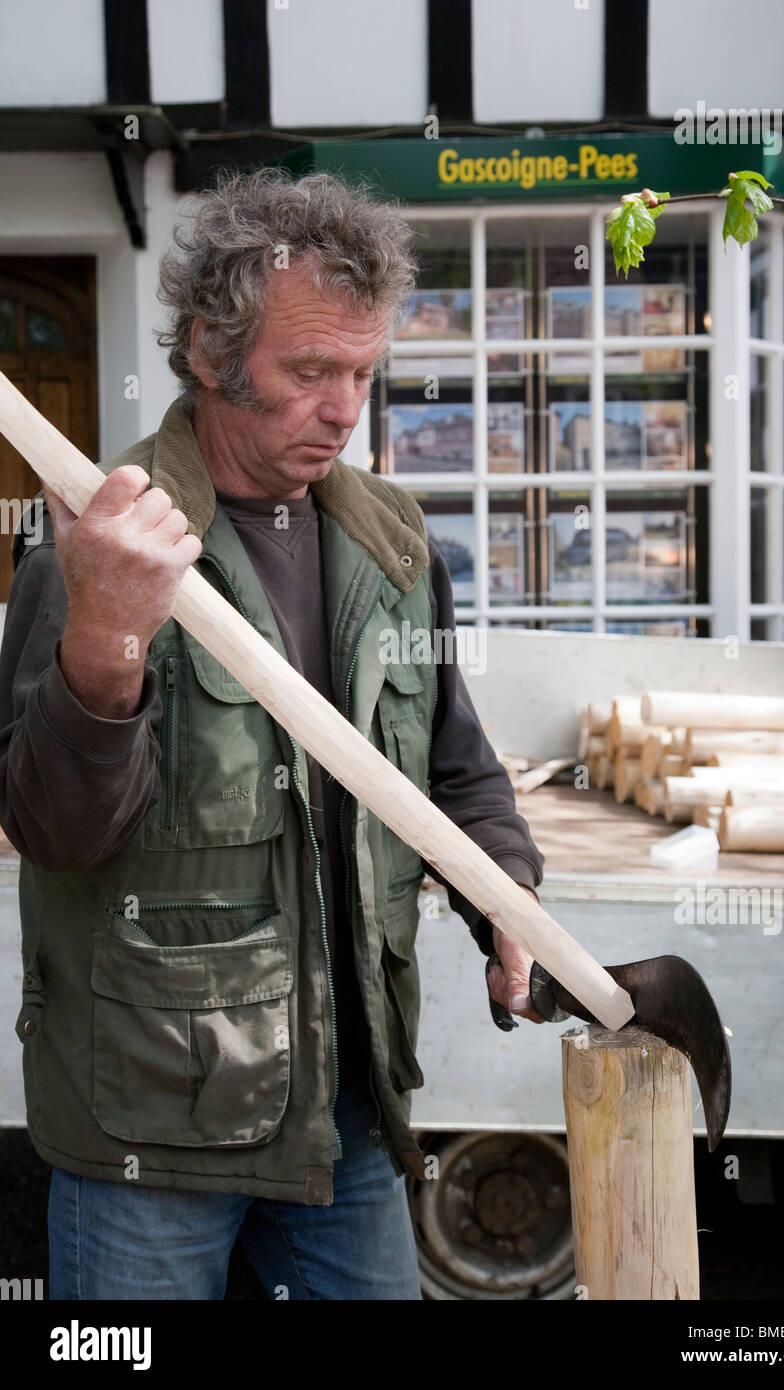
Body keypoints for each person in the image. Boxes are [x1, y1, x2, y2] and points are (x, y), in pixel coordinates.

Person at [0, 168, 545, 1301]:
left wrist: (509, 893)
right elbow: (53, 830)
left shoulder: (395, 547)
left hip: (348, 1111)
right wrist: (106, 627)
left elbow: (453, 771)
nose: (345, 410)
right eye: (309, 373)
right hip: (145, 1131)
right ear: (209, 352)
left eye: (361, 373)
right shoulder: (93, 554)